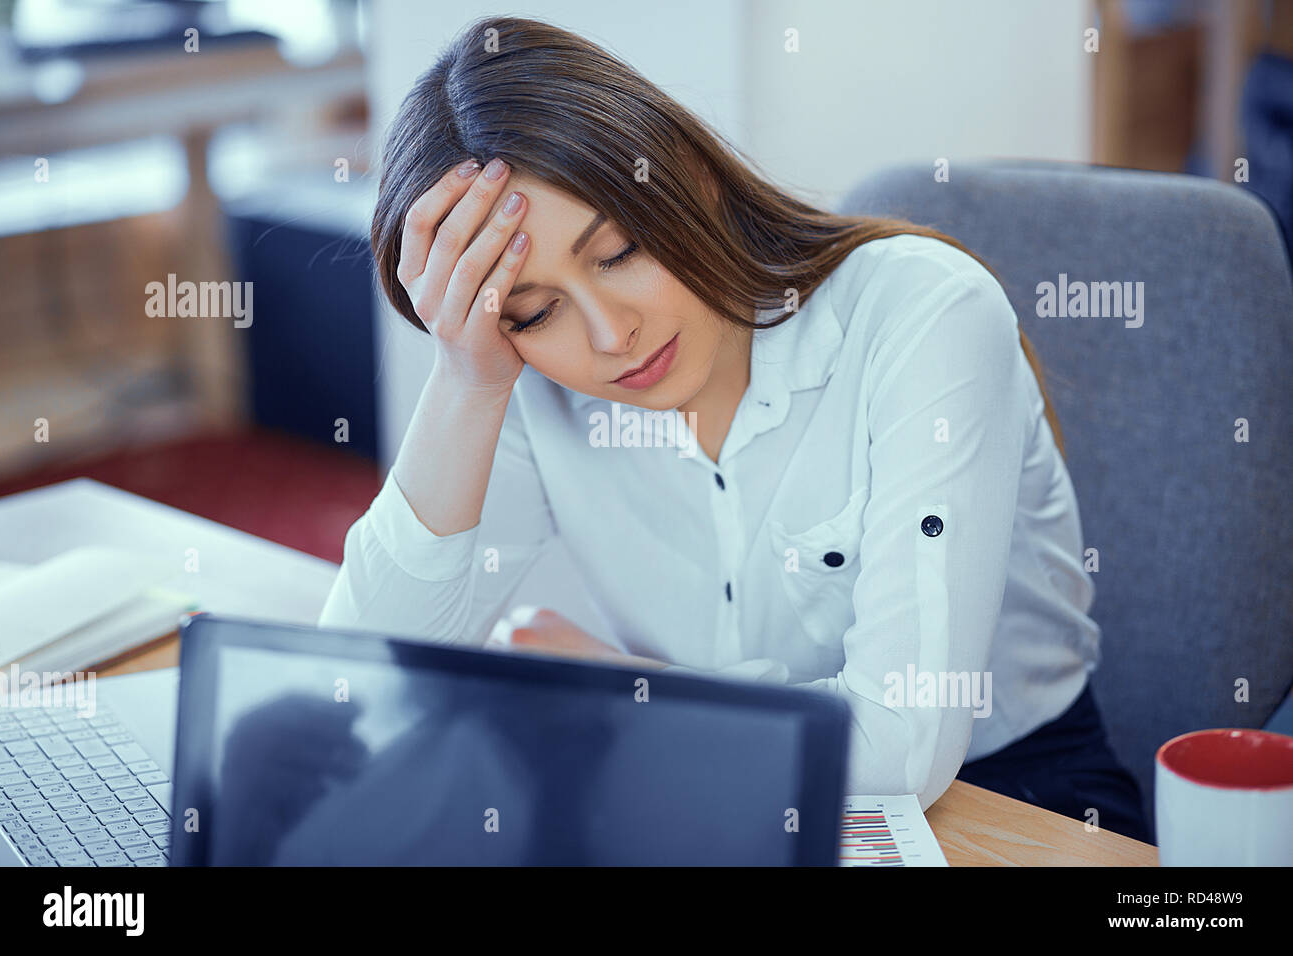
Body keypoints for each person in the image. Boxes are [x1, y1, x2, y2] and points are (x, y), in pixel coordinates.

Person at [318, 15, 1152, 844]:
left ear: (691, 177)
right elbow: (362, 682)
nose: (612, 335)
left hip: (1010, 800)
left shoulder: (925, 312)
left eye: (619, 253)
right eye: (538, 311)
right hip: (706, 783)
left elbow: (905, 747)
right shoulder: (523, 382)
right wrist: (467, 381)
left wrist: (624, 695)